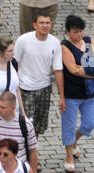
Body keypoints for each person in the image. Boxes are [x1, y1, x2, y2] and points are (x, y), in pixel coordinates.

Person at [13, 11, 65, 142]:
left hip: (45, 89)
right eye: (41, 23)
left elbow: (58, 70)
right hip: (26, 89)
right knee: (25, 125)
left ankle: (32, 155)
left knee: (38, 126)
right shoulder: (23, 40)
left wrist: (61, 97)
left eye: (48, 23)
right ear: (34, 25)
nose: (45, 25)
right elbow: (13, 63)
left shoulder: (55, 43)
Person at [61, 13, 94, 173]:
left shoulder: (88, 41)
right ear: (68, 32)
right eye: (75, 31)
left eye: (80, 31)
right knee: (69, 125)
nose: (79, 34)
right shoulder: (65, 46)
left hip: (89, 92)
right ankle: (69, 156)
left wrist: (93, 67)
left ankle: (74, 141)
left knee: (89, 123)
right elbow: (73, 69)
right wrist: (92, 74)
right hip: (72, 92)